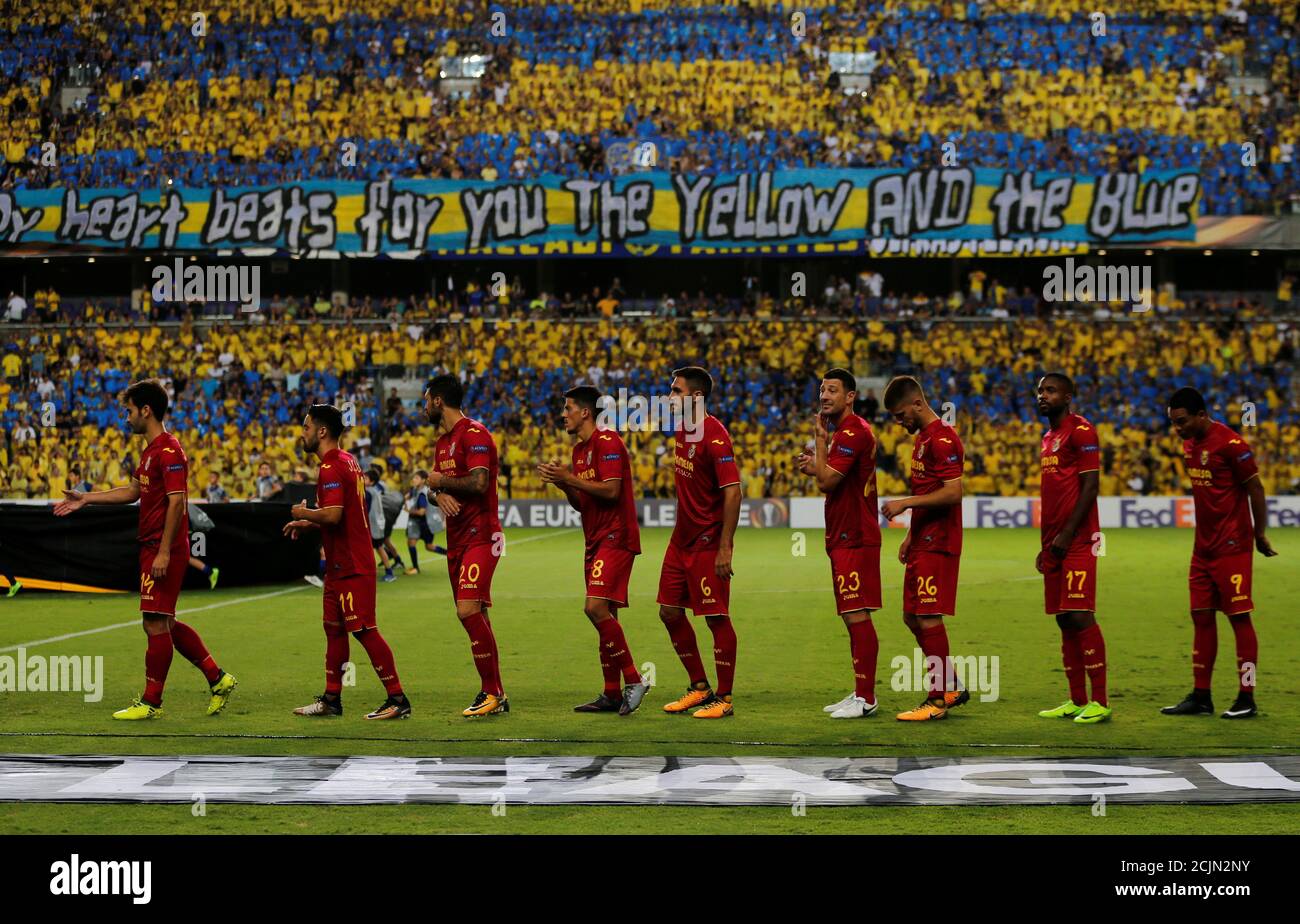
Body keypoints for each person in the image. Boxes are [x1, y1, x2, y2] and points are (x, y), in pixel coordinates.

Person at [54, 379, 236, 719]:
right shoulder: (151, 451)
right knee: (162, 622)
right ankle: (218, 678)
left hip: (161, 546)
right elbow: (132, 492)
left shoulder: (170, 451)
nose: (126, 417)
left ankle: (152, 702)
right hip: (152, 545)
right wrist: (86, 499)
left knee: (154, 623)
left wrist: (165, 551)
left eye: (129, 410)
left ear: (146, 410)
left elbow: (178, 503)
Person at [284, 404, 411, 720]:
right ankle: (331, 699)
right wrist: (309, 523)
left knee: (364, 629)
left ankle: (398, 698)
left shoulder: (330, 466)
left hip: (352, 563)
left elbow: (334, 515)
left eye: (306, 426)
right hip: (341, 564)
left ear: (322, 431)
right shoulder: (348, 462)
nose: (303, 432)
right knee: (334, 630)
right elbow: (341, 516)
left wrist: (303, 514)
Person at [1162, 387, 1278, 720]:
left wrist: (1259, 534)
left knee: (1239, 617)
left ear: (1201, 414)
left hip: (1232, 546)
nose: (1177, 429)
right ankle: (1201, 696)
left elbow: (1255, 487)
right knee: (1200, 616)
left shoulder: (1232, 445)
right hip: (1203, 548)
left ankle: (1247, 696)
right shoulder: (1189, 444)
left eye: (1181, 421)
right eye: (1173, 422)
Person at [539, 385, 651, 715]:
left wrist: (570, 479)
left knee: (595, 608)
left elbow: (613, 491)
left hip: (616, 537)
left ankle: (635, 679)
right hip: (595, 539)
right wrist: (564, 483)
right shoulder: (578, 451)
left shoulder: (608, 442)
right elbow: (582, 503)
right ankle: (611, 693)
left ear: (585, 412)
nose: (563, 414)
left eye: (568, 407)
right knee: (606, 614)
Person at [880, 375, 968, 721]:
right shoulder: (923, 440)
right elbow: (931, 492)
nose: (899, 423)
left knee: (928, 615)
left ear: (918, 404)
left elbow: (953, 492)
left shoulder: (943, 439)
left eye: (901, 415)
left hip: (940, 542)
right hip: (923, 540)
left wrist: (905, 503)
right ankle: (951, 685)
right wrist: (910, 536)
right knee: (911, 615)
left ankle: (937, 700)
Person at [656, 366, 741, 719]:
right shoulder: (681, 430)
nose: (669, 397)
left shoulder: (715, 434)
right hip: (681, 541)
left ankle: (724, 697)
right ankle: (698, 687)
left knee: (716, 617)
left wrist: (725, 547)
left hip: (707, 542)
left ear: (695, 397)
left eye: (675, 391)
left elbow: (733, 492)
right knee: (668, 611)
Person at [423, 373, 510, 718]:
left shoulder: (475, 433)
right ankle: (496, 694)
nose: (424, 407)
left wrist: (440, 482)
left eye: (427, 400)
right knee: (476, 615)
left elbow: (478, 482)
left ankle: (492, 692)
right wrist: (437, 494)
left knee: (467, 610)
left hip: (482, 535)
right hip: (457, 540)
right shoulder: (442, 442)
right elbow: (434, 490)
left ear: (439, 401)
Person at [797, 368, 882, 719]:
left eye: (832, 390)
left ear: (850, 396)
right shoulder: (843, 432)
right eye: (822, 390)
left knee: (856, 613)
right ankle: (861, 692)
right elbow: (827, 474)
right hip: (843, 533)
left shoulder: (853, 431)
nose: (825, 396)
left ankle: (866, 697)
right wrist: (817, 463)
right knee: (851, 614)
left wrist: (819, 442)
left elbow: (827, 481)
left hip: (856, 536)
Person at [1033, 374, 1111, 724]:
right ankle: (1077, 700)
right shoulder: (1048, 438)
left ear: (1068, 395)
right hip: (1055, 543)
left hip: (1078, 540)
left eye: (1050, 390)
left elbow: (1090, 486)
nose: (1042, 396)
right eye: (1040, 391)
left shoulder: (1082, 431)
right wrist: (1048, 544)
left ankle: (1101, 701)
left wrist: (1065, 535)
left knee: (1081, 615)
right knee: (1064, 619)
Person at [403, 469, 446, 574]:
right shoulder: (414, 490)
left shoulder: (423, 493)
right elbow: (405, 497)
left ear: (423, 480)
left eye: (416, 478)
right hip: (418, 523)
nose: (414, 479)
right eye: (414, 477)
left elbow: (422, 512)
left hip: (426, 524)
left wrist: (408, 510)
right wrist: (404, 501)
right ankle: (415, 568)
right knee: (411, 542)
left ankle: (450, 554)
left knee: (429, 547)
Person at [363, 468, 397, 582]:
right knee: (379, 548)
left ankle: (387, 572)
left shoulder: (368, 492)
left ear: (371, 482)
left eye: (366, 478)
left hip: (372, 526)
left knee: (376, 549)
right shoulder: (375, 490)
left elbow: (365, 510)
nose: (363, 479)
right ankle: (388, 571)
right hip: (378, 524)